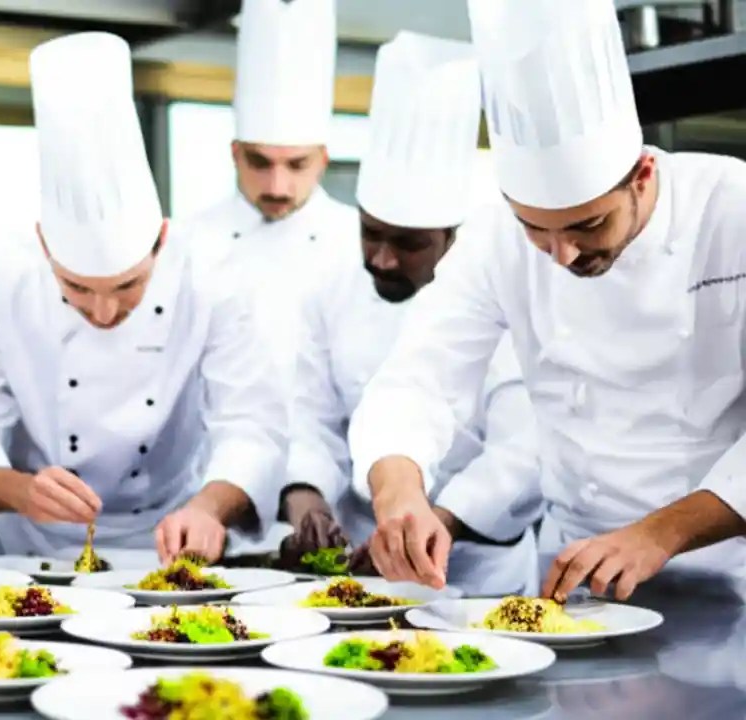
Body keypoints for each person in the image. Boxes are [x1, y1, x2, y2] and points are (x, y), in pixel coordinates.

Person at [349, 0, 746, 601]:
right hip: (575, 574)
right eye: (535, 227)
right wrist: (400, 493)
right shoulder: (493, 239)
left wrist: (658, 533)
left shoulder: (732, 212)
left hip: (731, 569)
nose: (561, 254)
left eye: (588, 225)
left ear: (641, 175)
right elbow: (415, 379)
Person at [0, 32, 286, 564]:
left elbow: (251, 425)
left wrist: (209, 509)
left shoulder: (212, 276)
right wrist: (20, 490)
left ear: (161, 241)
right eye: (75, 288)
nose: (103, 312)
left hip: (173, 544)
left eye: (127, 286)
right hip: (29, 555)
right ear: (46, 247)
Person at [283, 32, 540, 595]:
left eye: (409, 243)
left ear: (451, 236)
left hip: (482, 572)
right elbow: (312, 419)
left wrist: (427, 528)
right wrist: (308, 499)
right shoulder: (329, 288)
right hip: (358, 563)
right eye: (370, 233)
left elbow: (524, 452)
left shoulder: (501, 293)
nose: (382, 257)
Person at [179, 0, 357, 554]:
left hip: (332, 519)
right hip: (208, 522)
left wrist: (308, 488)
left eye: (297, 164)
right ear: (234, 153)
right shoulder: (187, 244)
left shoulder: (360, 247)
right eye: (259, 161)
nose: (277, 184)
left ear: (324, 158)